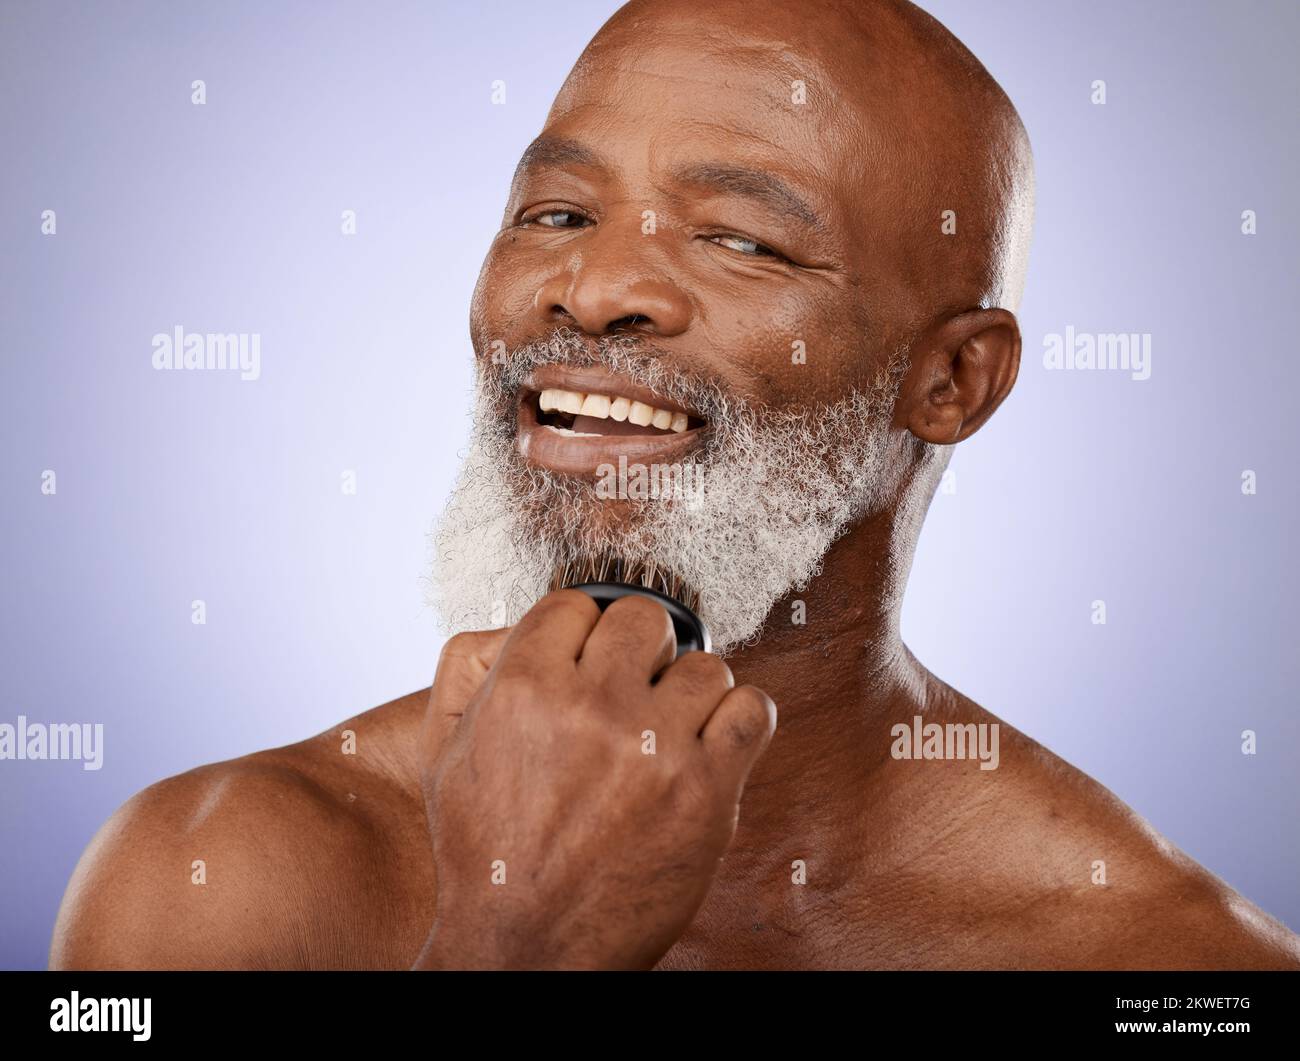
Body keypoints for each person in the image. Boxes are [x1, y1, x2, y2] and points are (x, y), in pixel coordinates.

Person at [50, 0, 1300, 970]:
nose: (592, 291)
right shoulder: (219, 876)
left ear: (954, 382)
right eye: (552, 214)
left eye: (741, 239)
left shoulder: (1164, 965)